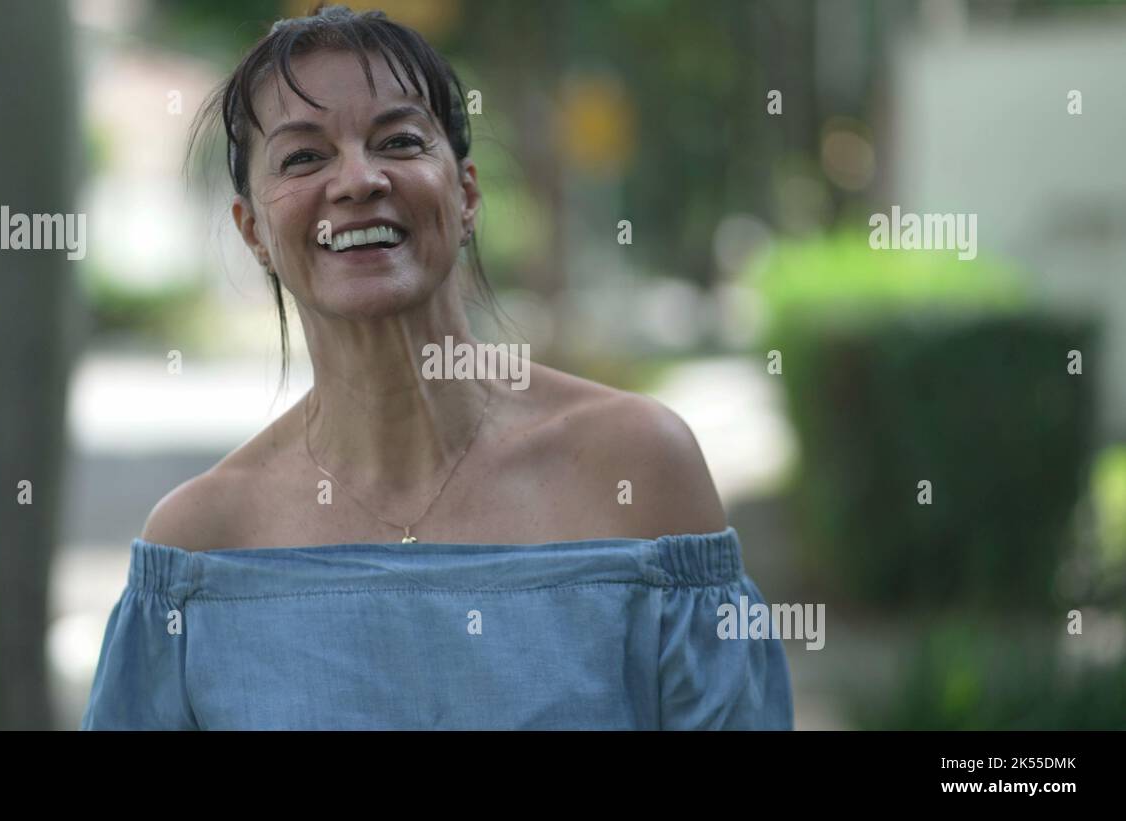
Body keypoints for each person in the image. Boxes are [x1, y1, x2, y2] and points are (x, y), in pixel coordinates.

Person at [81, 3, 792, 730]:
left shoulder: (640, 470)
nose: (357, 180)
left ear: (467, 193)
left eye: (398, 140)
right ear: (253, 231)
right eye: (303, 156)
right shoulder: (199, 551)